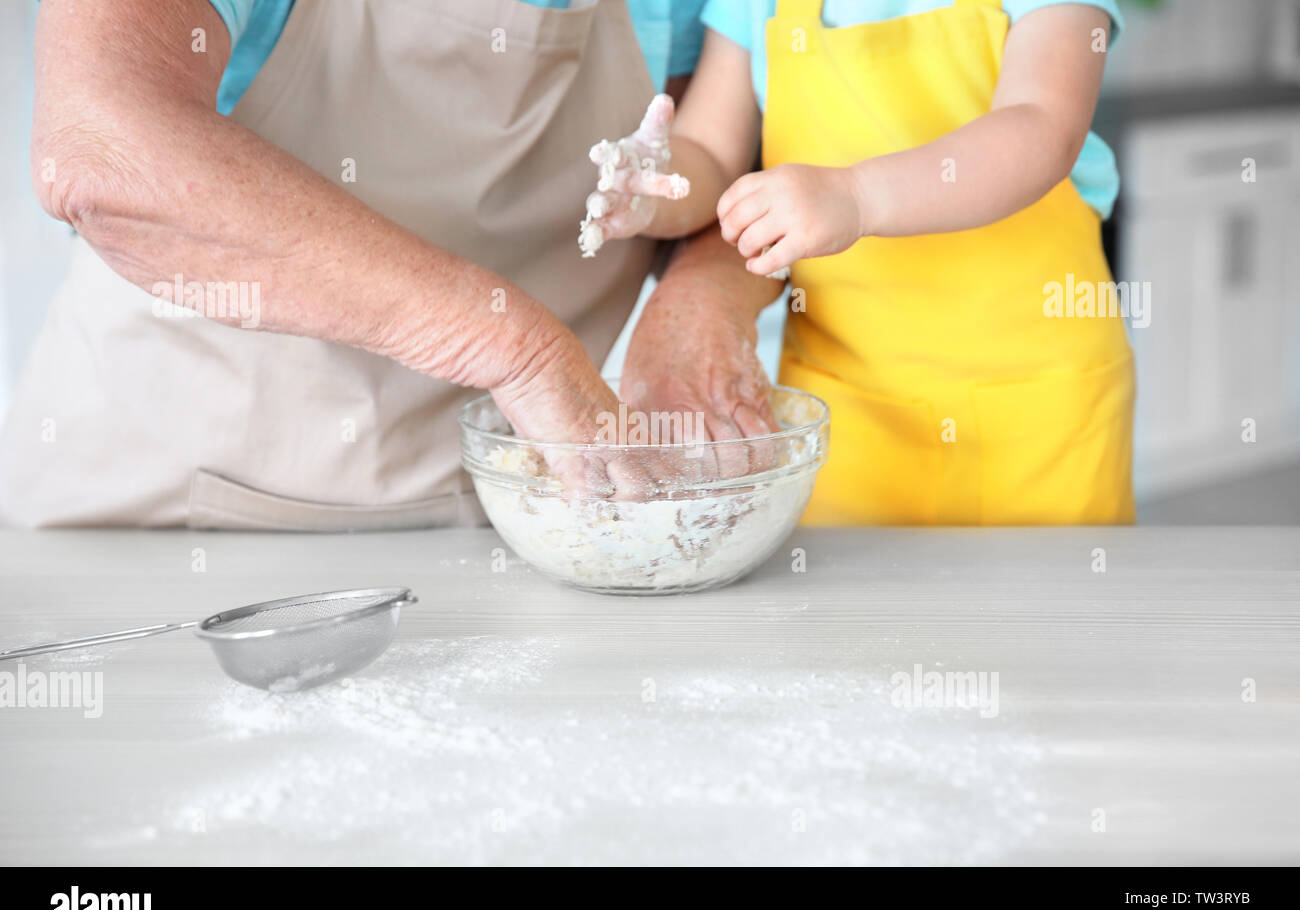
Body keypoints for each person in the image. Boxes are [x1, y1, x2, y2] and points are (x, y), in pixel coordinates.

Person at [0, 0, 785, 529]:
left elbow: (728, 170)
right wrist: (512, 349)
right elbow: (100, 147)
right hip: (154, 512)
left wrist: (701, 297)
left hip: (506, 527)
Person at [587, 0, 1136, 525]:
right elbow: (708, 150)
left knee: (1047, 616)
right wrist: (651, 189)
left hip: (1038, 408)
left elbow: (1043, 124)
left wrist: (856, 197)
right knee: (850, 615)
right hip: (848, 406)